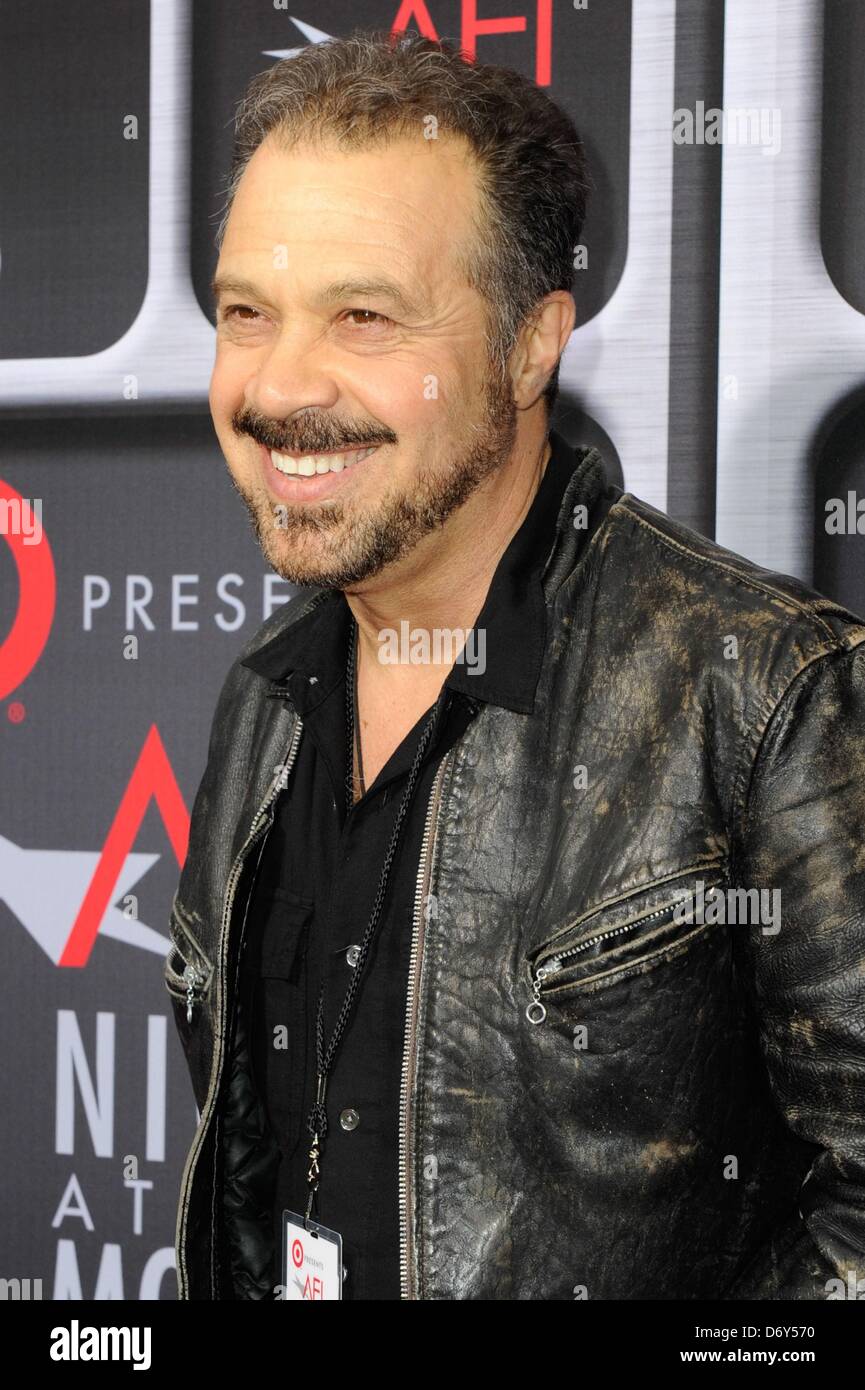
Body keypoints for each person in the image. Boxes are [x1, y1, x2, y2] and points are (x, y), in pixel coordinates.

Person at [165, 28, 865, 1300]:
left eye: (364, 316)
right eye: (245, 314)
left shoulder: (767, 696)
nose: (278, 385)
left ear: (532, 343)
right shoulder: (263, 701)